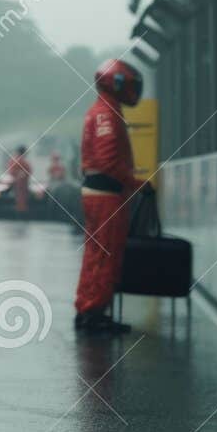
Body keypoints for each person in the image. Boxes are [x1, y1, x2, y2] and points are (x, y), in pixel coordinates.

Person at [74, 60, 143, 334]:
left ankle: (87, 308)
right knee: (105, 256)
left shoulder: (101, 110)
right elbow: (108, 162)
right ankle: (94, 313)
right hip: (106, 196)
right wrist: (137, 184)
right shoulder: (107, 114)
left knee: (94, 255)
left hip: (96, 193)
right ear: (116, 83)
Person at [7, 144, 33, 215]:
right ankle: (21, 211)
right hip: (20, 184)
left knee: (20, 197)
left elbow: (11, 171)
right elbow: (29, 172)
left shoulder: (13, 161)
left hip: (17, 184)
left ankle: (20, 210)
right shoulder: (23, 162)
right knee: (21, 198)